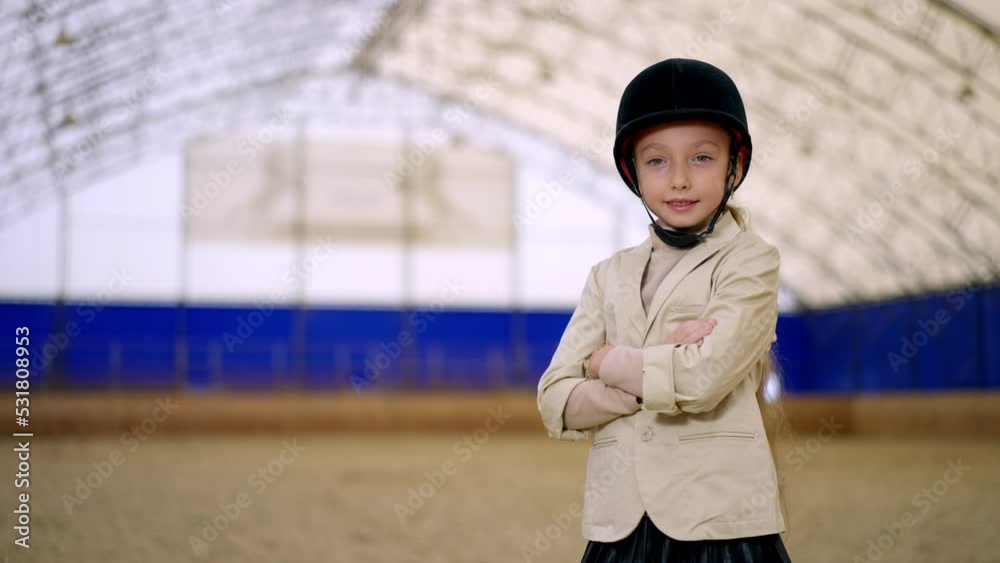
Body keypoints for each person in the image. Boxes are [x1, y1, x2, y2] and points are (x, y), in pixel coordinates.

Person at [536, 58, 792, 562]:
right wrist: (656, 361)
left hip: (720, 528)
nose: (678, 180)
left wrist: (606, 362)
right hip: (619, 532)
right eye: (657, 161)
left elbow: (702, 382)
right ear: (633, 170)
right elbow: (554, 400)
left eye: (700, 158)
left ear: (733, 164)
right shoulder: (607, 275)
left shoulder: (752, 261)